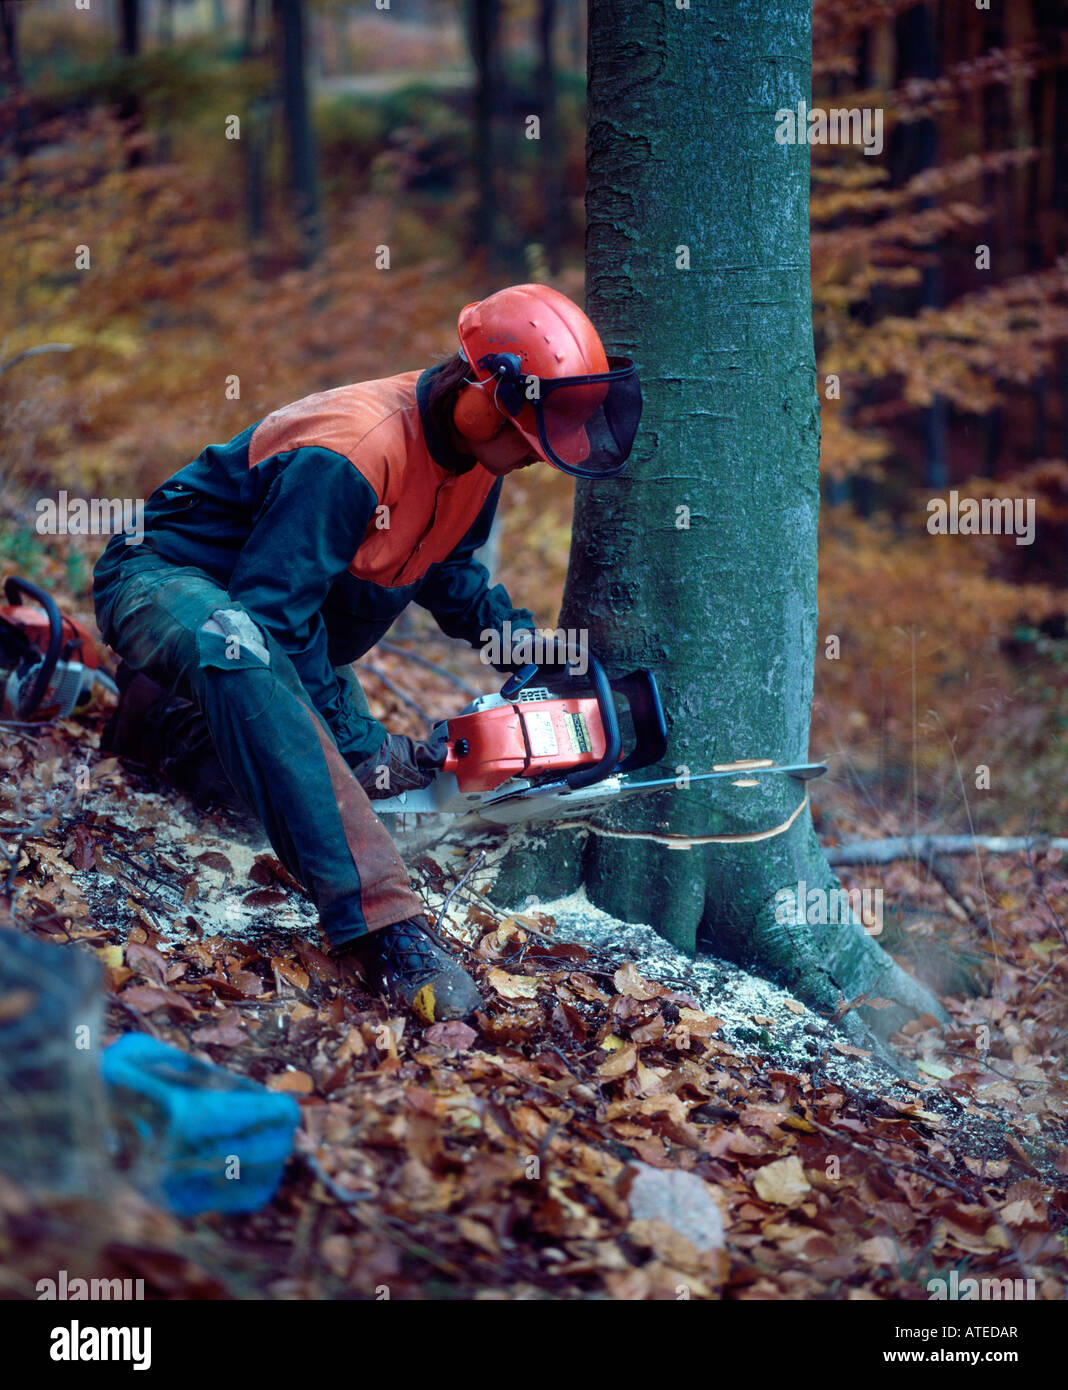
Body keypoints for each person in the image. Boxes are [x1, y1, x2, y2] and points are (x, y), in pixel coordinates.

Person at [92, 284, 642, 1024]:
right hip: (159, 580)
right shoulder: (354, 450)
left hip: (266, 614)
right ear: (481, 397)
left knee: (294, 776)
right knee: (247, 656)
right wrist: (363, 741)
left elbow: (447, 571)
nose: (534, 458)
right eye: (526, 436)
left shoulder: (477, 465)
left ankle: (161, 724)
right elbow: (270, 621)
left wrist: (527, 650)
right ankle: (385, 928)